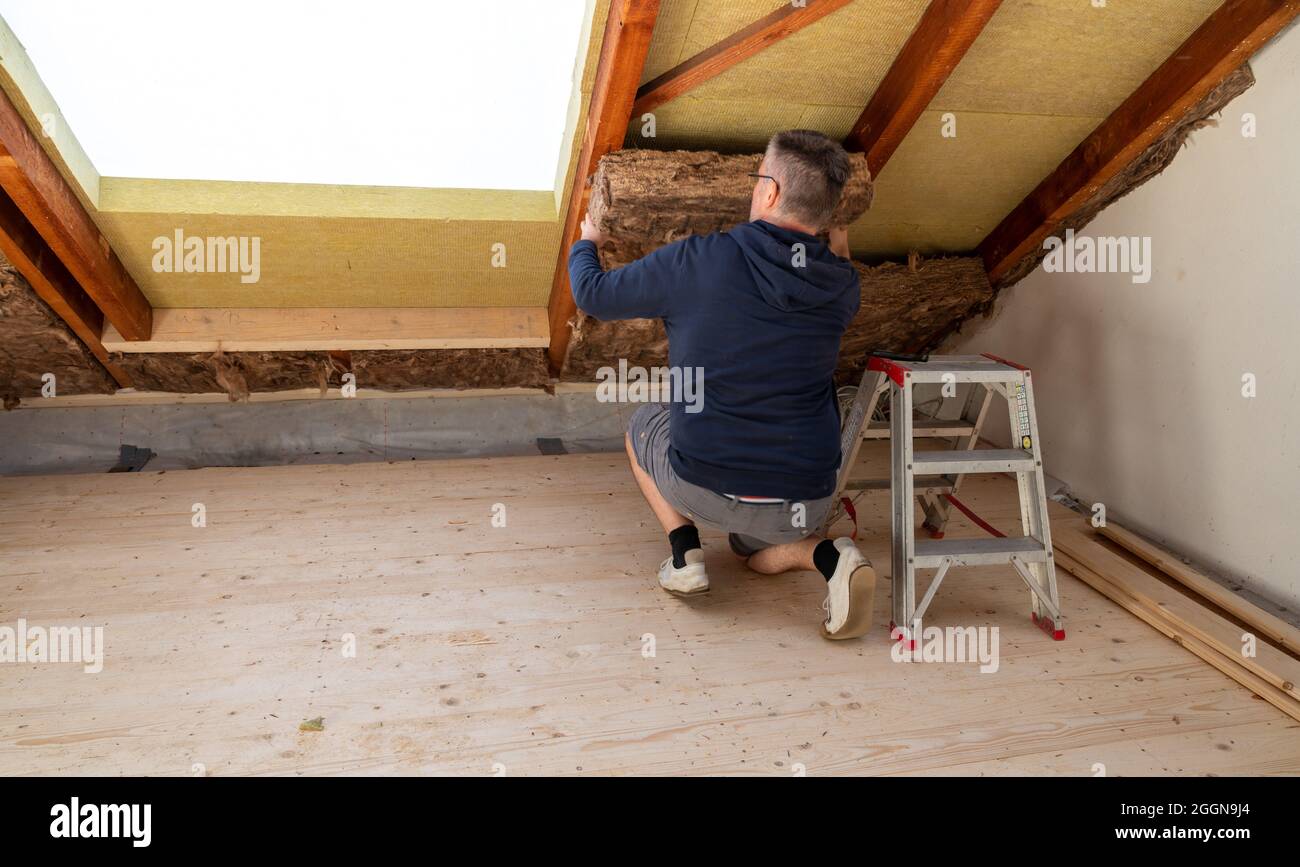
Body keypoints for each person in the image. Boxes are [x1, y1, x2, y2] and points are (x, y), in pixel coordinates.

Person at [567, 129, 875, 640]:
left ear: (771, 192)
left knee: (643, 421)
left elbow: (592, 294)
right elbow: (837, 265)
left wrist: (589, 238)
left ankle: (684, 551)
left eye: (759, 180)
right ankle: (829, 556)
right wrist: (838, 243)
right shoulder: (841, 285)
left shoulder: (699, 260)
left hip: (703, 484)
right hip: (806, 497)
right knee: (752, 554)